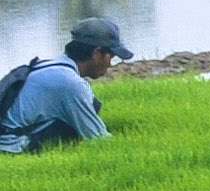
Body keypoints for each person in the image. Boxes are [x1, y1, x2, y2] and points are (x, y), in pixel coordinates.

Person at [0, 16, 130, 154]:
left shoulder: (50, 65)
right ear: (97, 53)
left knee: (91, 106)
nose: (110, 64)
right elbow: (98, 138)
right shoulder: (70, 83)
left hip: (7, 136)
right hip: (12, 145)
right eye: (111, 57)